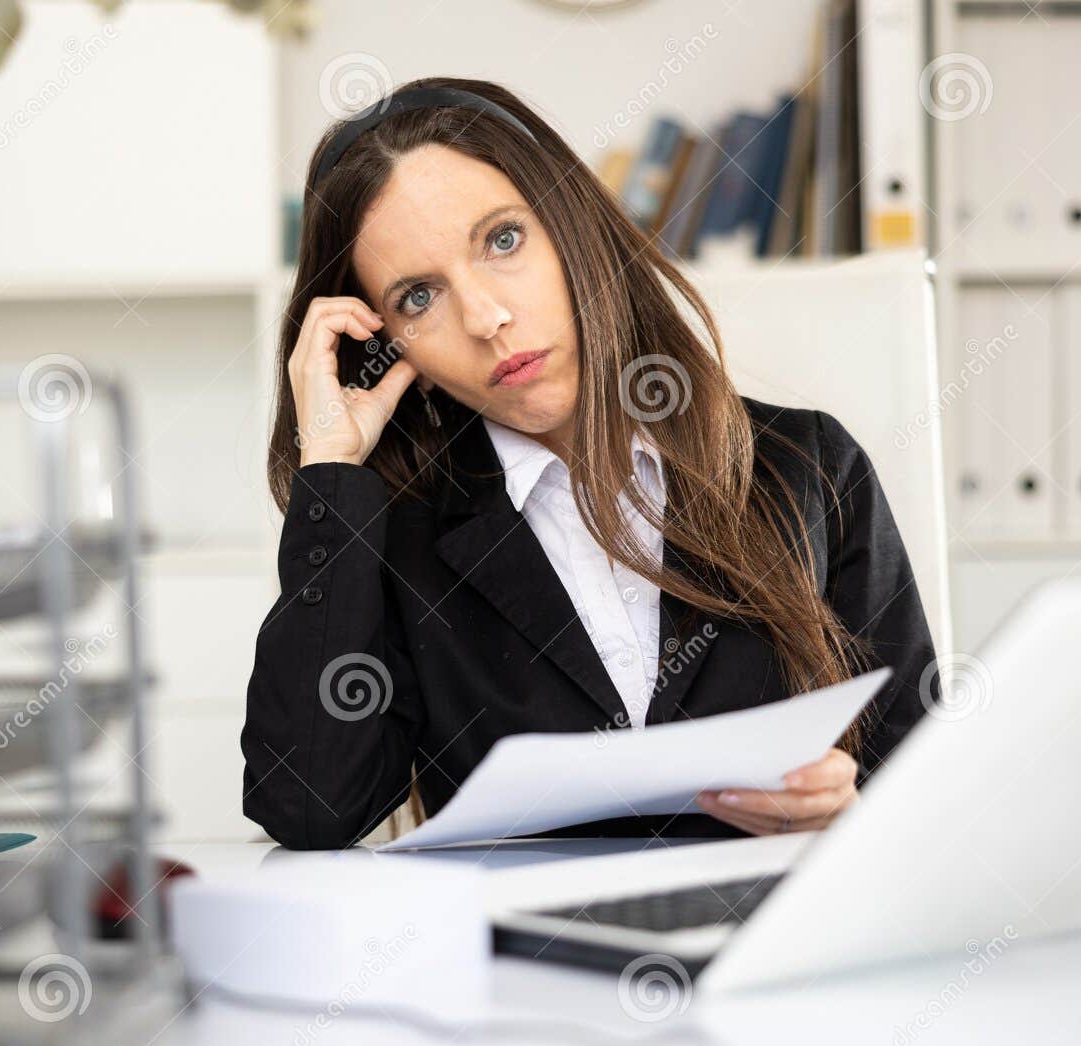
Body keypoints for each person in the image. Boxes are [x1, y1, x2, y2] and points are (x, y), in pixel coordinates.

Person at [241, 77, 938, 851]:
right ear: (383, 344)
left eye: (502, 241)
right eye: (417, 298)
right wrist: (330, 472)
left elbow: (930, 781)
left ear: (574, 228)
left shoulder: (806, 466)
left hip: (773, 947)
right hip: (533, 961)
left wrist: (849, 808)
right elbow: (307, 807)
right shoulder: (400, 534)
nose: (486, 319)